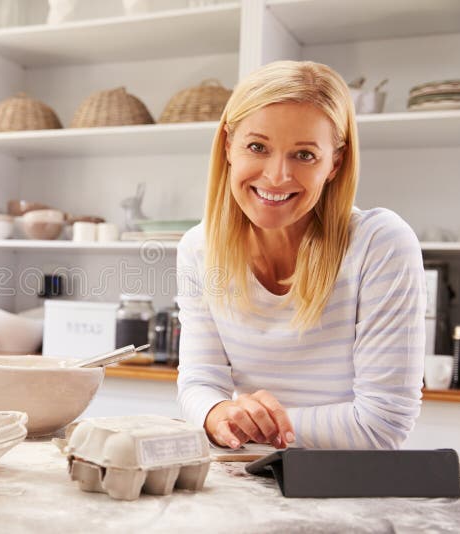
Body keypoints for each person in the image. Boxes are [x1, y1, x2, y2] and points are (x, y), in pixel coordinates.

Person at [176, 60, 426, 451]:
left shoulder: (380, 244)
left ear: (334, 164)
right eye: (257, 147)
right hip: (246, 482)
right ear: (229, 146)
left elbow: (382, 424)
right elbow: (200, 383)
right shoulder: (198, 248)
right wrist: (218, 413)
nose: (276, 176)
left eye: (304, 155)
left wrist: (251, 424)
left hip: (346, 492)